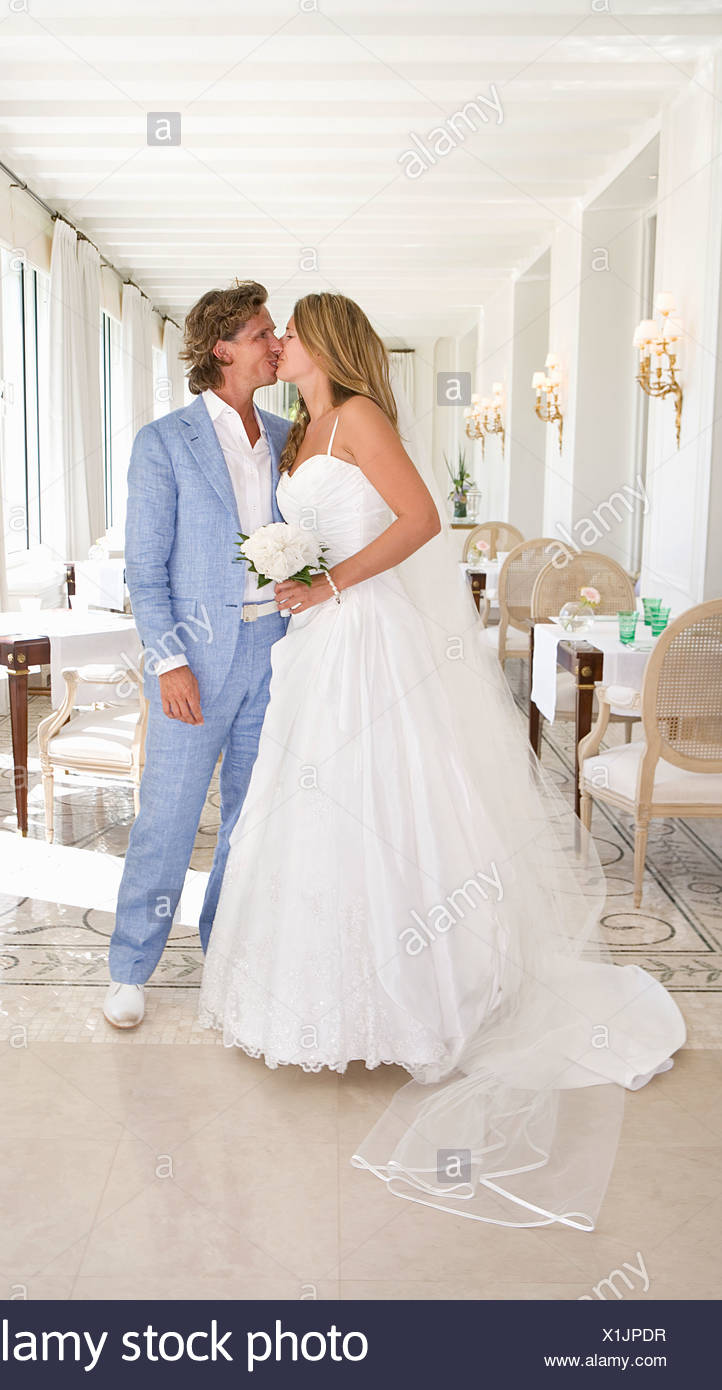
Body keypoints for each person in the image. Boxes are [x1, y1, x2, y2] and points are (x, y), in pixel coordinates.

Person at [197, 291, 686, 1229]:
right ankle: (319, 1001)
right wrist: (292, 573)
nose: (282, 341)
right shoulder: (299, 430)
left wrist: (330, 578)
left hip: (367, 635)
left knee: (389, 800)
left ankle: (417, 1000)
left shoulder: (358, 415)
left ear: (329, 341)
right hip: (317, 641)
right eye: (274, 333)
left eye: (293, 329)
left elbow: (420, 519)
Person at [104, 281, 290, 1027]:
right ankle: (129, 967)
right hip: (195, 659)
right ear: (222, 346)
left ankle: (228, 953)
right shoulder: (163, 443)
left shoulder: (285, 437)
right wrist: (169, 661)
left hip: (276, 649)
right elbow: (144, 574)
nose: (277, 345)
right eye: (263, 334)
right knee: (169, 817)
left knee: (252, 818)